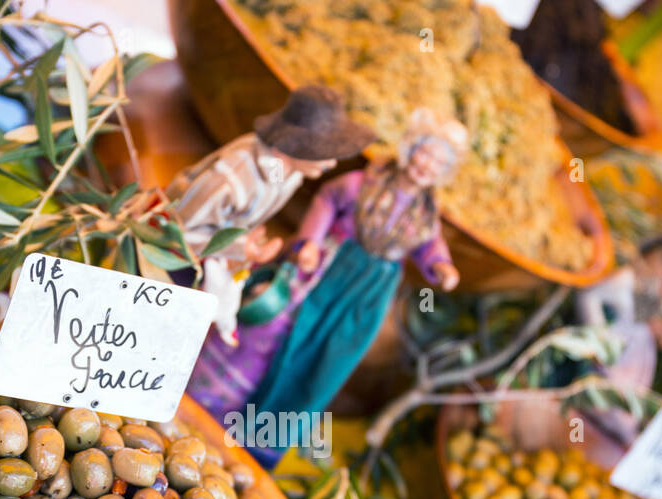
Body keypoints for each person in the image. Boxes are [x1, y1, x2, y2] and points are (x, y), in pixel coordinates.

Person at [238, 109, 466, 463]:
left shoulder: (426, 214)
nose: (426, 166)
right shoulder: (365, 182)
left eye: (438, 163)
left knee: (329, 363)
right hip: (330, 268)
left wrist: (442, 266)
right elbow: (327, 199)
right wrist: (309, 242)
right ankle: (234, 413)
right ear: (410, 148)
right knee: (286, 338)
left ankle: (265, 444)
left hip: (370, 293)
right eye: (425, 152)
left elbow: (429, 246)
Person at [166, 85, 374, 346]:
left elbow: (258, 202)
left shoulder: (289, 172)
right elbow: (177, 230)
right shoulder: (232, 178)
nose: (331, 163)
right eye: (325, 152)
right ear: (299, 146)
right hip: (171, 263)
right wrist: (242, 248)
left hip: (212, 257)